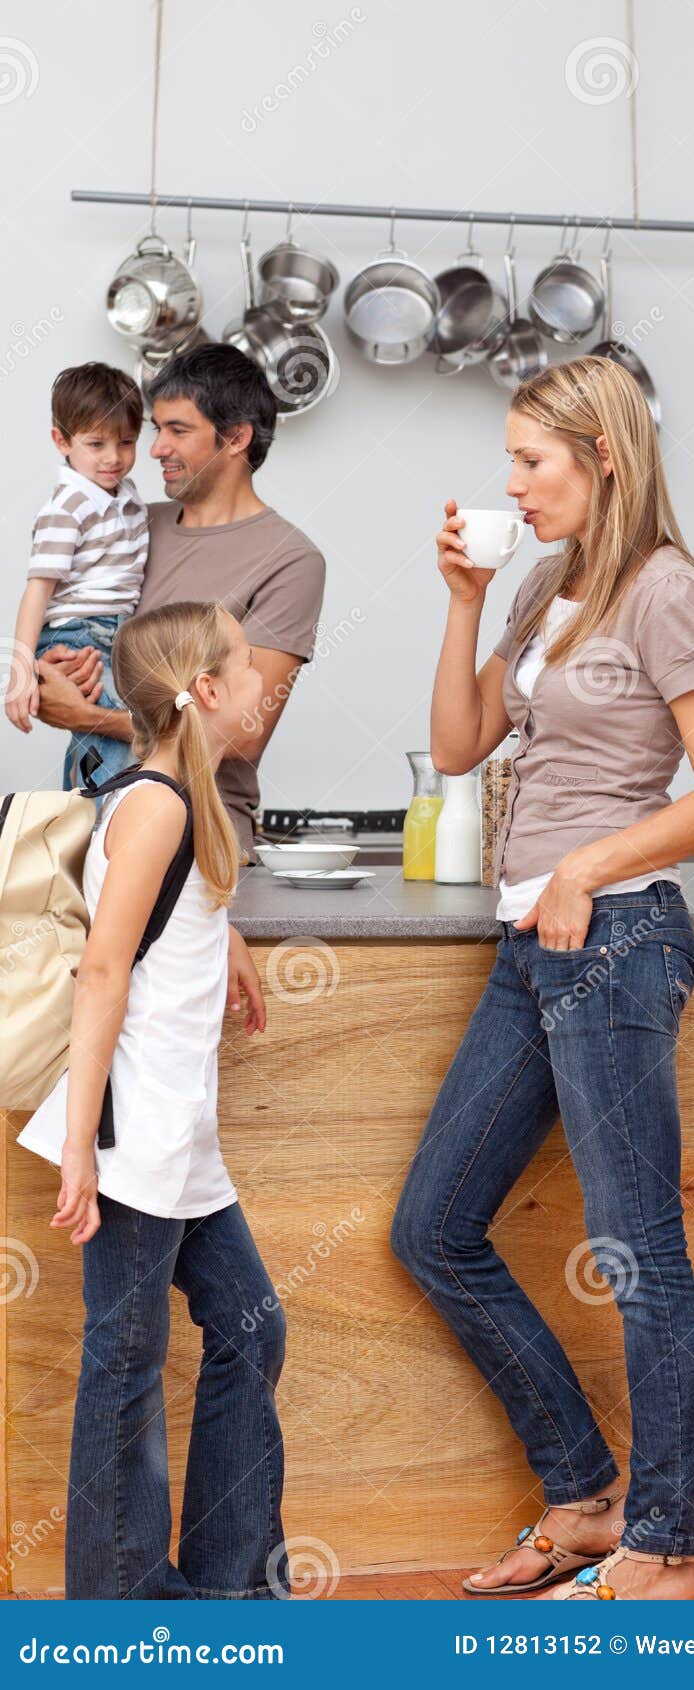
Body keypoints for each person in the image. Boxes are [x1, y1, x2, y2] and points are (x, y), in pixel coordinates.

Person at [391, 356, 694, 1602]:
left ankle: (663, 1547)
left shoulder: (669, 593)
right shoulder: (545, 582)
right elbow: (456, 744)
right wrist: (463, 597)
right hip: (530, 950)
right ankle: (588, 1497)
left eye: (529, 462)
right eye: (507, 462)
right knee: (433, 1228)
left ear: (601, 458)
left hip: (614, 942)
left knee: (638, 1248)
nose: (510, 483)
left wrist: (587, 863)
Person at [17, 600, 290, 1600]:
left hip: (177, 1143)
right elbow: (102, 970)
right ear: (206, 693)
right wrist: (84, 1142)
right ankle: (120, 1604)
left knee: (250, 1326)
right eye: (248, 664)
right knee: (125, 1365)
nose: (265, 677)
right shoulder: (160, 805)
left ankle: (229, 1582)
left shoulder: (178, 798)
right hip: (137, 1137)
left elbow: (152, 920)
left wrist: (222, 934)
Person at [33, 343, 326, 864]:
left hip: (196, 847)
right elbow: (71, 621)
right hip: (93, 827)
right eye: (157, 429)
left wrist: (89, 716)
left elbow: (242, 736)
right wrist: (50, 668)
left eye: (179, 430)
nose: (154, 449)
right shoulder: (131, 525)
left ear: (236, 437)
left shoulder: (291, 560)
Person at [5, 363, 146, 787]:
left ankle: (83, 828)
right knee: (116, 735)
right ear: (61, 441)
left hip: (118, 633)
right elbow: (37, 591)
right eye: (96, 443)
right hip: (81, 633)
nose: (113, 457)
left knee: (99, 735)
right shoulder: (66, 508)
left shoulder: (126, 494)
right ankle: (105, 829)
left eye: (127, 442)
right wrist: (21, 670)